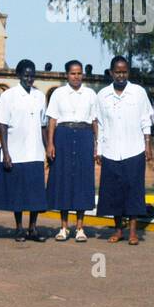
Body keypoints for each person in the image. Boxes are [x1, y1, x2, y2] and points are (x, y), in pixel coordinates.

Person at [97, 55, 153, 245]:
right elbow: (100, 125)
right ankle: (118, 230)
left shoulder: (138, 93)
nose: (121, 75)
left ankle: (133, 232)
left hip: (134, 149)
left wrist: (148, 145)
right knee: (114, 192)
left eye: (124, 72)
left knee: (133, 191)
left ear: (128, 72)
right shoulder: (102, 95)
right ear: (111, 73)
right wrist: (98, 150)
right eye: (117, 72)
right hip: (111, 150)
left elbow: (146, 120)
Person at [0, 59, 49, 241]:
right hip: (16, 151)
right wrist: (6, 152)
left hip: (35, 152)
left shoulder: (40, 96)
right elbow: (1, 125)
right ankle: (19, 228)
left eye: (32, 75)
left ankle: (33, 228)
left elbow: (43, 125)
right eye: (26, 75)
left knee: (35, 194)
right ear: (18, 75)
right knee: (18, 193)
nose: (29, 79)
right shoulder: (9, 96)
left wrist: (48, 147)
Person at [46, 60, 98, 241]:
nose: (76, 76)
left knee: (82, 181)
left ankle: (80, 228)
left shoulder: (90, 94)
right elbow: (52, 120)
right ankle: (63, 227)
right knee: (64, 180)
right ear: (66, 75)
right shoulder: (58, 93)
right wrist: (50, 144)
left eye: (79, 73)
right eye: (73, 73)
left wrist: (97, 144)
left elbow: (94, 121)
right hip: (63, 137)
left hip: (84, 136)